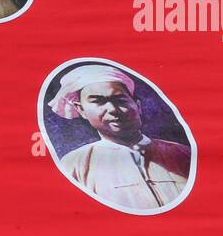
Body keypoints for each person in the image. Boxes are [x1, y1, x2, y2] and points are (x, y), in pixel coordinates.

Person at [48, 63, 190, 210]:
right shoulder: (74, 165)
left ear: (137, 105)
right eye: (98, 101)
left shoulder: (183, 154)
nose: (113, 110)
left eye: (120, 100)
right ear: (81, 110)